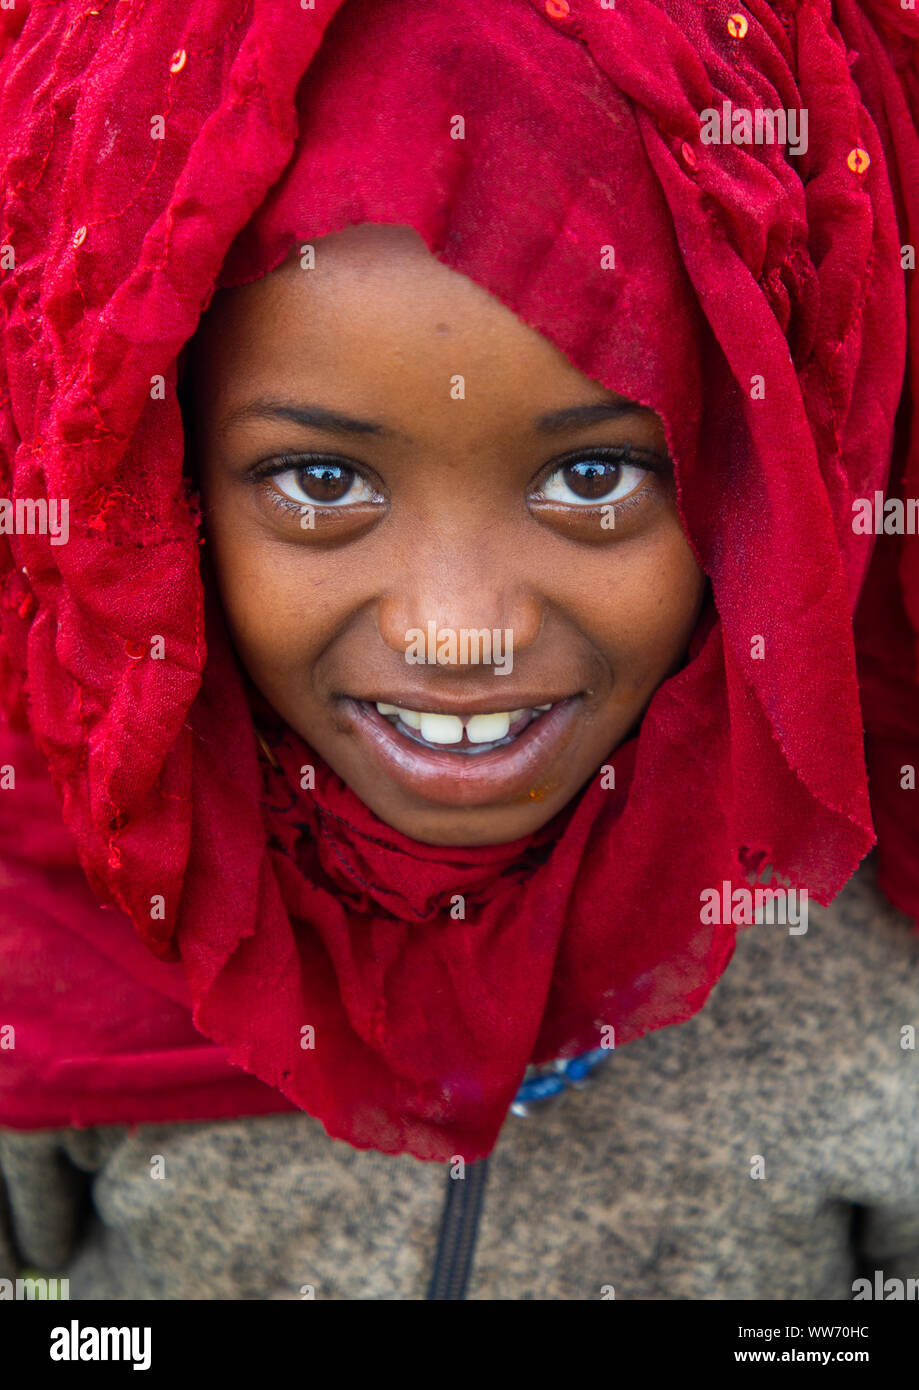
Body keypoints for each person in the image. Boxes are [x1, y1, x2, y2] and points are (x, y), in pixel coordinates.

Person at [0, 0, 916, 1300]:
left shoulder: (874, 980)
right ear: (149, 500)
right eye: (320, 482)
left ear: (762, 479)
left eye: (595, 474)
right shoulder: (50, 924)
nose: (459, 630)